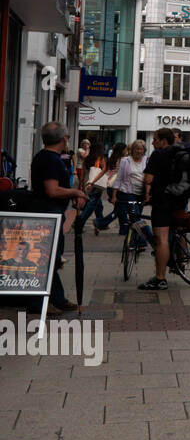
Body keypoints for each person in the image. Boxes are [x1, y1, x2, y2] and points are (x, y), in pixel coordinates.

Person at [31, 122, 87, 311]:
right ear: (64, 139)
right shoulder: (50, 160)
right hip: (48, 214)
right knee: (49, 258)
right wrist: (75, 193)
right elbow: (52, 190)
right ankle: (47, 302)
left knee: (51, 258)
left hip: (50, 212)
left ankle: (55, 299)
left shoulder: (46, 157)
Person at [139, 128, 185, 291]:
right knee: (179, 230)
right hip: (180, 199)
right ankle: (180, 263)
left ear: (164, 140)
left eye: (155, 139)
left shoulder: (158, 155)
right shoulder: (181, 152)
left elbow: (148, 179)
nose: (153, 142)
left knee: (162, 239)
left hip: (163, 201)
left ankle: (160, 279)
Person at [74, 140, 114, 235]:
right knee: (91, 206)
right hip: (95, 185)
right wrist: (92, 183)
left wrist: (82, 185)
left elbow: (83, 173)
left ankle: (99, 223)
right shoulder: (101, 159)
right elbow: (102, 172)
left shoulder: (87, 159)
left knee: (97, 204)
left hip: (86, 184)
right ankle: (79, 223)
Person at [111, 140, 148, 235]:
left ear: (144, 150)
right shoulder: (125, 161)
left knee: (135, 218)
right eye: (136, 148)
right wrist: (114, 196)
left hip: (141, 193)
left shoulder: (146, 160)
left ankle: (133, 241)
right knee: (136, 218)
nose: (138, 151)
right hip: (127, 192)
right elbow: (119, 178)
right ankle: (143, 240)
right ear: (132, 150)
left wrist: (147, 194)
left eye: (141, 149)